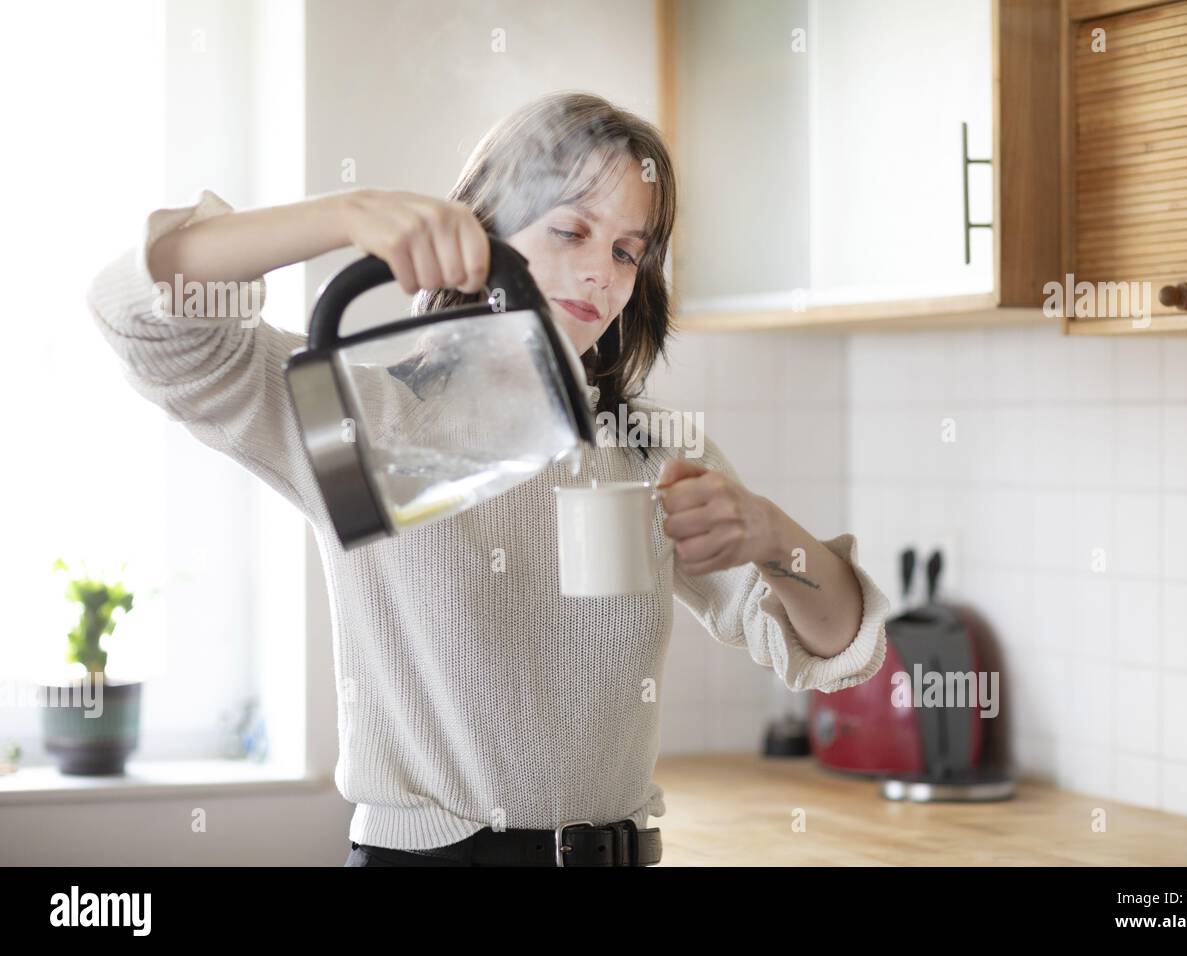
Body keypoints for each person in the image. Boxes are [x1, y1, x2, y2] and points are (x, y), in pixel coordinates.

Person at [86, 90, 891, 867]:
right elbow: (137, 317)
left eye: (625, 252)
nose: (602, 276)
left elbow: (838, 644)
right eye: (572, 231)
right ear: (486, 233)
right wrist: (341, 215)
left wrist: (773, 537)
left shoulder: (648, 451)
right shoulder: (361, 421)